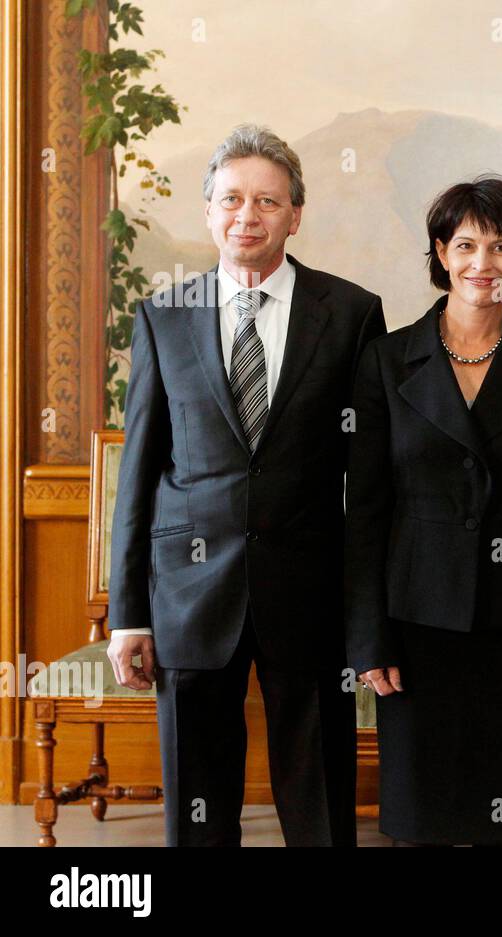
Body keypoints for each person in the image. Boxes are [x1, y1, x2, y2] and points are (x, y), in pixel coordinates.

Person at [107, 124, 387, 846]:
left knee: (320, 793)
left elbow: (370, 485)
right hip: (189, 591)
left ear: (295, 215)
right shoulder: (162, 317)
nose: (248, 215)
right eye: (231, 199)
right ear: (208, 210)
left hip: (310, 592)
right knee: (198, 800)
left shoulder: (353, 314)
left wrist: (365, 622)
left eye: (268, 200)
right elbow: (137, 475)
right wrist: (129, 613)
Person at [344, 175, 502, 846]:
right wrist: (367, 636)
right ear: (441, 253)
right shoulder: (385, 360)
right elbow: (364, 510)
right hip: (415, 621)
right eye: (466, 245)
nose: (482, 264)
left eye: (501, 246)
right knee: (417, 813)